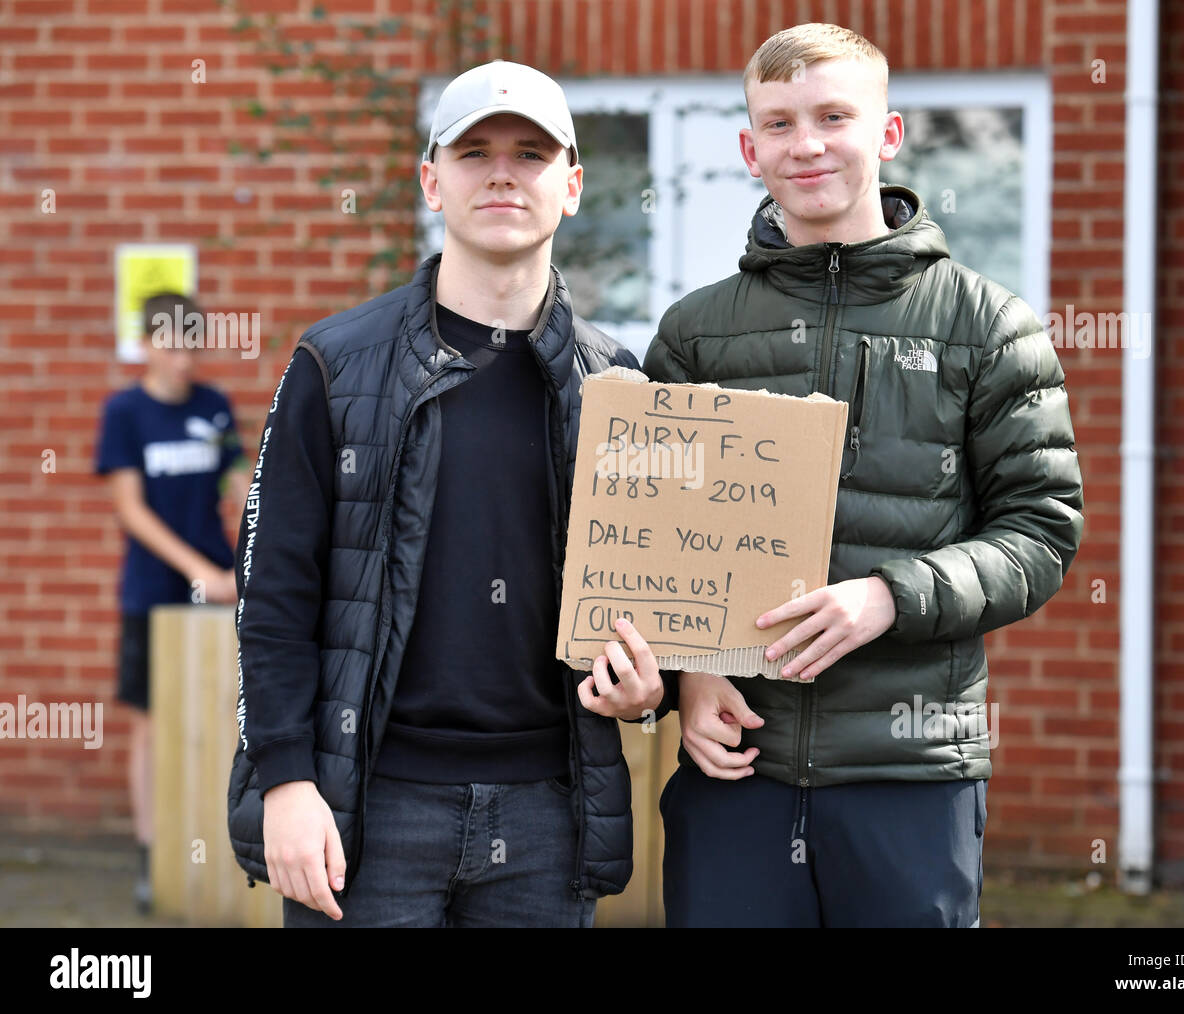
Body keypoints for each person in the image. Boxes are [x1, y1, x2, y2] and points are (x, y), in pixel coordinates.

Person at [643, 23, 1085, 927]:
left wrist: (890, 596)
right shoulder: (693, 334)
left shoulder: (988, 325)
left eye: (833, 116)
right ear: (749, 149)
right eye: (778, 124)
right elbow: (656, 541)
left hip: (911, 771)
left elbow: (1040, 533)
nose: (805, 144)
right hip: (738, 771)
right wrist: (691, 678)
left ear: (887, 135)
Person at [226, 59, 674, 928]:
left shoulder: (620, 383)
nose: (502, 172)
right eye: (474, 152)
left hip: (549, 814)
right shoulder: (336, 364)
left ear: (572, 185)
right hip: (369, 808)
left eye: (530, 153)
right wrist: (284, 780)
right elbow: (272, 594)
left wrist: (647, 687)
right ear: (432, 179)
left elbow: (649, 601)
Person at [94, 291, 252, 913]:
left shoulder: (214, 407)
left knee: (221, 711)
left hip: (220, 581)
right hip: (154, 591)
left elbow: (238, 481)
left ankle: (211, 843)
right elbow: (129, 509)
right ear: (149, 344)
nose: (186, 358)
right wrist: (198, 573)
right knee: (153, 721)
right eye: (175, 344)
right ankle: (151, 852)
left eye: (195, 345)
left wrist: (246, 538)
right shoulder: (125, 412)